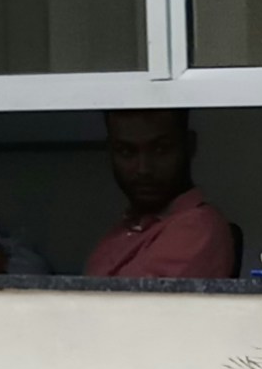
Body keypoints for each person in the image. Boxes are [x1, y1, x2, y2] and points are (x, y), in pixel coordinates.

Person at [85, 110, 237, 280]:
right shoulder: (125, 229)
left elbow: (128, 305)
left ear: (189, 145)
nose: (144, 169)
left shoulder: (198, 227)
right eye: (126, 152)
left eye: (160, 149)